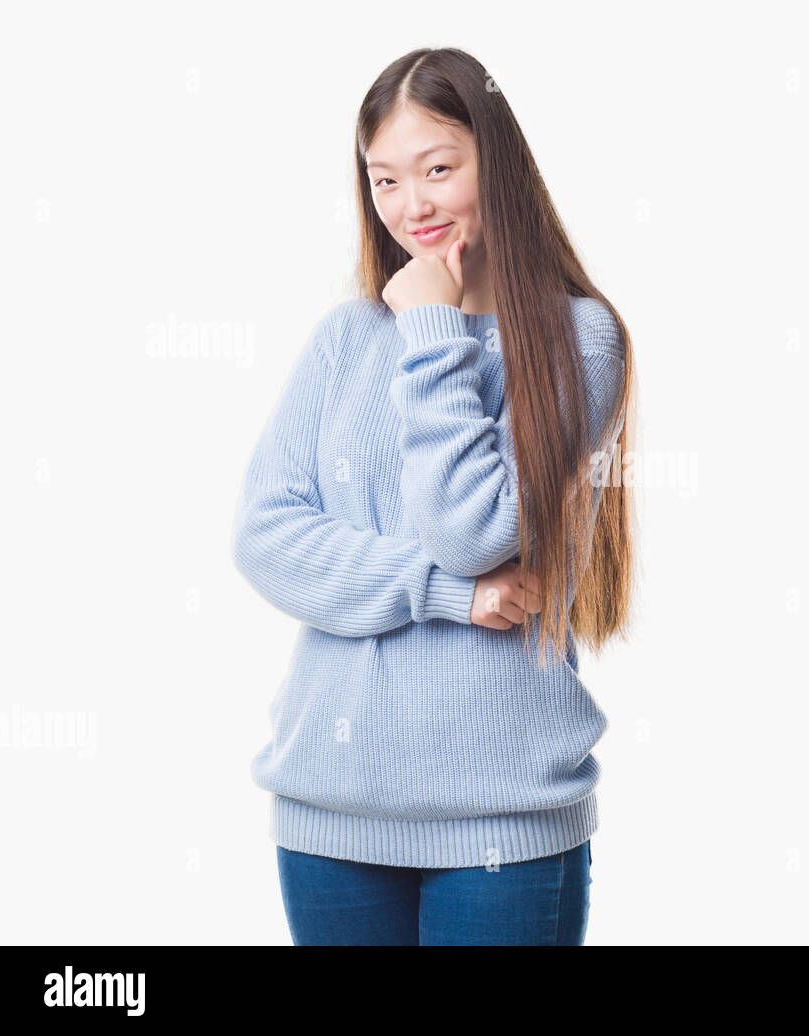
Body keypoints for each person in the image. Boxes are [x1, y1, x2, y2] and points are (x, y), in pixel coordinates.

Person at [230, 46, 637, 946]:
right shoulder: (347, 338)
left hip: (500, 826)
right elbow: (265, 535)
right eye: (383, 181)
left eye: (438, 169)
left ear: (499, 159)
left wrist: (432, 326)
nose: (410, 206)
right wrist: (446, 596)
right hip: (328, 821)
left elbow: (475, 531)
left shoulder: (580, 341)